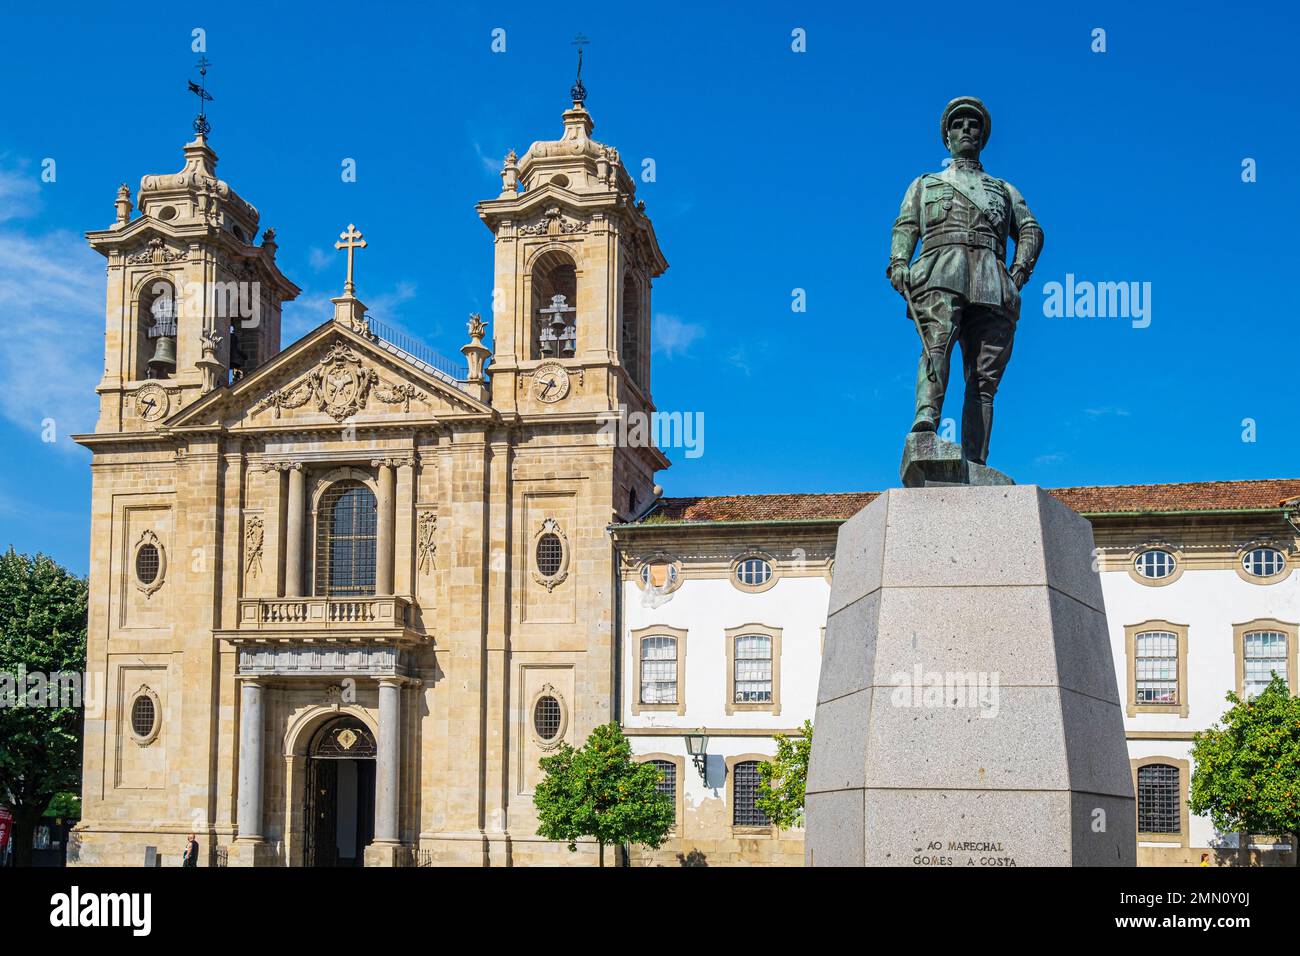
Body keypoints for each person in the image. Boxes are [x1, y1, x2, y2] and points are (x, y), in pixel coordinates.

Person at [888, 96, 1044, 465]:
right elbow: (907, 226)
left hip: (992, 280)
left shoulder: (1003, 189)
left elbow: (1031, 230)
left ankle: (976, 460)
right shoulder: (926, 184)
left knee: (983, 379)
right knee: (935, 345)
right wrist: (898, 261)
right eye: (958, 125)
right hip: (941, 269)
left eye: (973, 125)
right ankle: (926, 420)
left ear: (983, 136)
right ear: (947, 137)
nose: (966, 130)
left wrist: (1018, 272)